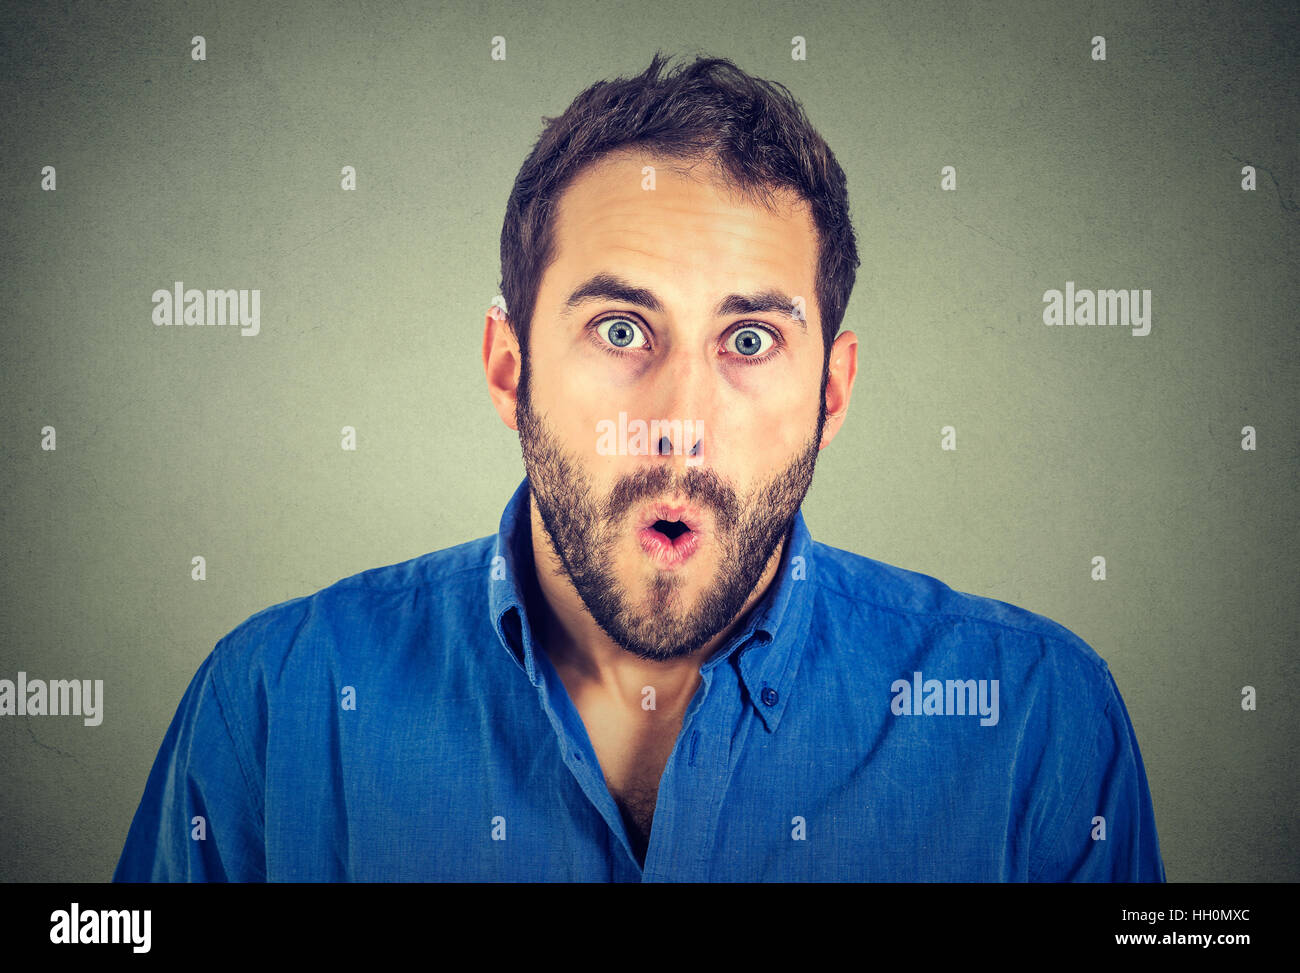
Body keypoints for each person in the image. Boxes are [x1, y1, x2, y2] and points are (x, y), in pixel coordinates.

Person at [114, 52, 1165, 881]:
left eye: (749, 340)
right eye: (621, 331)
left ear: (830, 394)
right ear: (507, 367)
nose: (678, 422)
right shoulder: (272, 708)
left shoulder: (1034, 722)